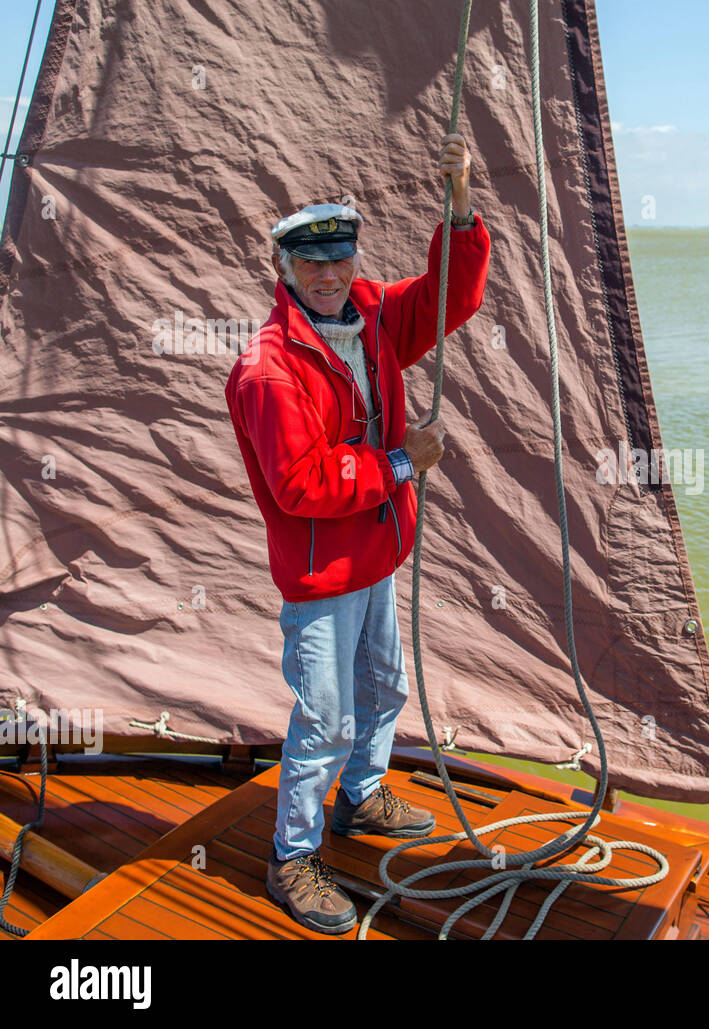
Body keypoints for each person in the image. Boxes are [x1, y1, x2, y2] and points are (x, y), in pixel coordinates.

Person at [224, 133, 490, 934]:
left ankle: (362, 796)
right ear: (285, 271)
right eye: (313, 264)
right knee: (326, 717)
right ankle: (292, 855)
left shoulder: (370, 312)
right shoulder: (267, 370)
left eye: (341, 257)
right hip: (322, 571)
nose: (332, 274)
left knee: (385, 686)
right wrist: (403, 462)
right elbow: (301, 483)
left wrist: (462, 206)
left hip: (377, 550)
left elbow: (450, 299)